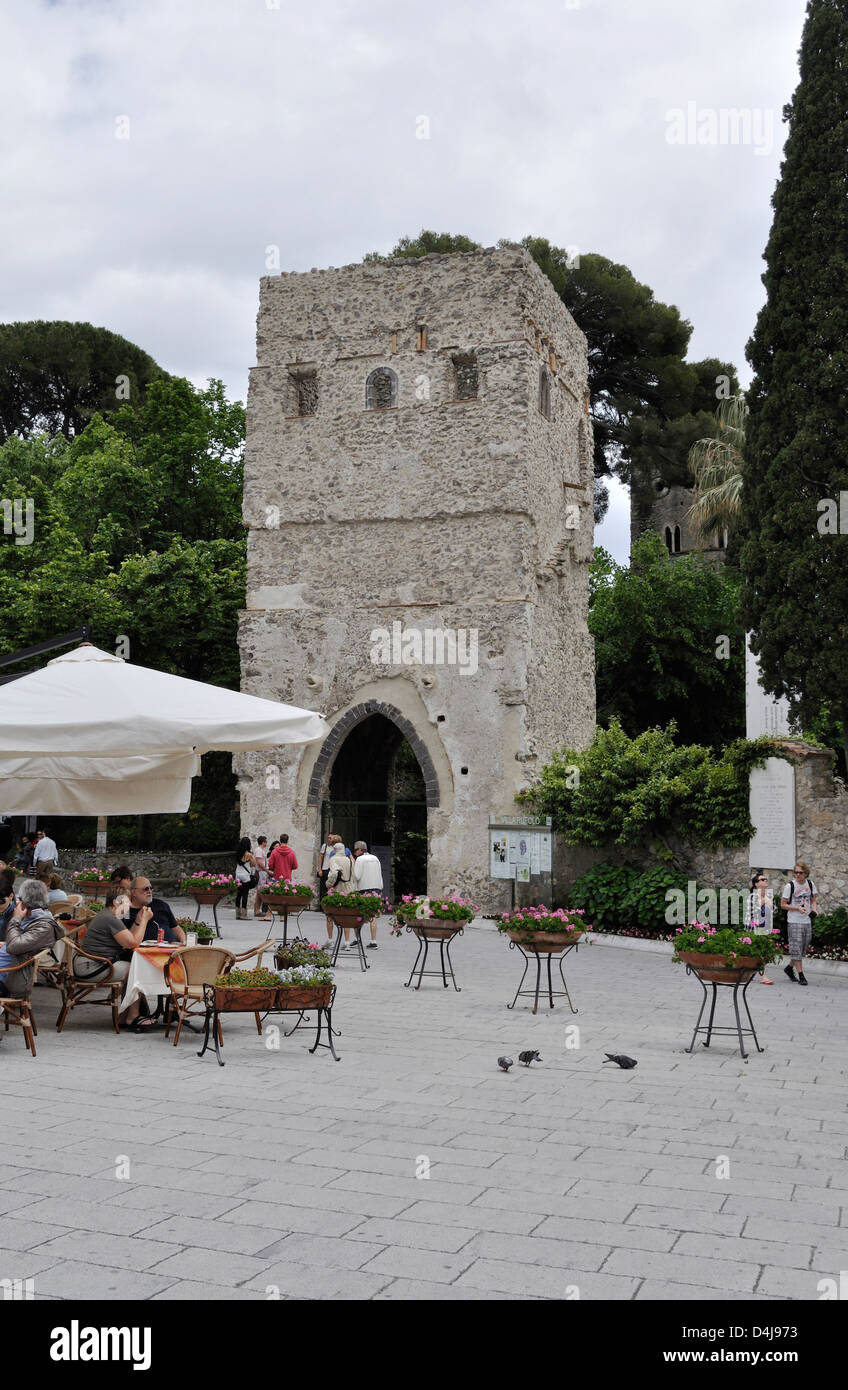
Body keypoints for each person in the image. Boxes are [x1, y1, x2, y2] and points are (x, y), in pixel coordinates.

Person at [74, 883, 153, 1029]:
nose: (129, 905)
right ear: (117, 902)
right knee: (137, 970)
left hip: (90, 963)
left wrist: (138, 921)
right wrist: (145, 921)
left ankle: (124, 1015)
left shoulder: (110, 916)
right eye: (127, 901)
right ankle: (132, 1016)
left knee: (133, 967)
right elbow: (133, 943)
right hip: (90, 967)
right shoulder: (110, 918)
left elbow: (129, 937)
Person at [0, 879, 65, 1001]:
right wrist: (4, 943)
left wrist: (16, 918)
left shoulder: (43, 925)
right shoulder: (31, 917)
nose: (17, 901)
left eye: (20, 899)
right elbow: (17, 943)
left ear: (25, 901)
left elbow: (13, 947)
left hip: (7, 979)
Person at [781, 861, 817, 986]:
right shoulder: (790, 886)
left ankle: (789, 968)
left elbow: (813, 900)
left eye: (800, 873)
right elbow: (783, 904)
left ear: (806, 873)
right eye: (795, 872)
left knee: (803, 946)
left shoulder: (810, 884)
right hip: (794, 920)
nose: (797, 875)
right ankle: (801, 975)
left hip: (806, 920)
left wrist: (814, 910)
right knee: (796, 947)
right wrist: (797, 908)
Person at [124, 877, 186, 943]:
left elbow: (176, 928)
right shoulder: (125, 910)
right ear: (134, 892)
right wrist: (141, 920)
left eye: (151, 888)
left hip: (171, 949)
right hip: (143, 951)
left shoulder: (161, 905)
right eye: (146, 889)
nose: (149, 891)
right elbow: (127, 939)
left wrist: (184, 942)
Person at [352, 840, 384, 949]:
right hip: (376, 889)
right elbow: (379, 874)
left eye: (355, 849)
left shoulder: (360, 859)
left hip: (363, 889)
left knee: (357, 914)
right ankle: (373, 940)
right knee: (372, 915)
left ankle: (357, 939)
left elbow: (356, 876)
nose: (354, 852)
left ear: (360, 850)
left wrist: (352, 864)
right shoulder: (375, 858)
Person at [324, 842, 354, 950]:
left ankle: (330, 939)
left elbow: (334, 873)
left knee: (329, 914)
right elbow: (353, 875)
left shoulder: (333, 859)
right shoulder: (349, 860)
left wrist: (328, 884)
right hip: (348, 889)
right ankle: (346, 941)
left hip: (337, 890)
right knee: (347, 915)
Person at [749, 870, 774, 985]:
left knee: (761, 952)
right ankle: (763, 976)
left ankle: (751, 973)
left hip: (766, 925)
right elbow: (753, 911)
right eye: (762, 880)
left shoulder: (768, 895)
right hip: (756, 927)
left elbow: (775, 910)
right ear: (756, 884)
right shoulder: (753, 896)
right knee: (760, 952)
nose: (765, 881)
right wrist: (764, 901)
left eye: (765, 879)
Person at [235, 837, 256, 920]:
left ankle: (237, 914)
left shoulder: (238, 853)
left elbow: (240, 863)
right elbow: (253, 864)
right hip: (245, 875)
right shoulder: (249, 854)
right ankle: (244, 914)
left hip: (238, 874)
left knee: (238, 894)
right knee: (245, 894)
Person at [315, 833, 338, 901]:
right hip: (325, 869)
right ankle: (323, 904)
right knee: (324, 888)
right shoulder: (325, 846)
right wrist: (319, 869)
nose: (329, 839)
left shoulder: (336, 847)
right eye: (328, 838)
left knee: (333, 887)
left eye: (330, 838)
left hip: (333, 870)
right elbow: (320, 858)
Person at [253, 835, 271, 920]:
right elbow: (259, 862)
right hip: (261, 872)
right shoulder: (259, 850)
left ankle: (257, 910)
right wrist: (267, 871)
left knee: (259, 892)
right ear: (263, 842)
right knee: (260, 892)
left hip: (262, 872)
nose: (266, 843)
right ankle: (256, 910)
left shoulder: (260, 850)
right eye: (266, 841)